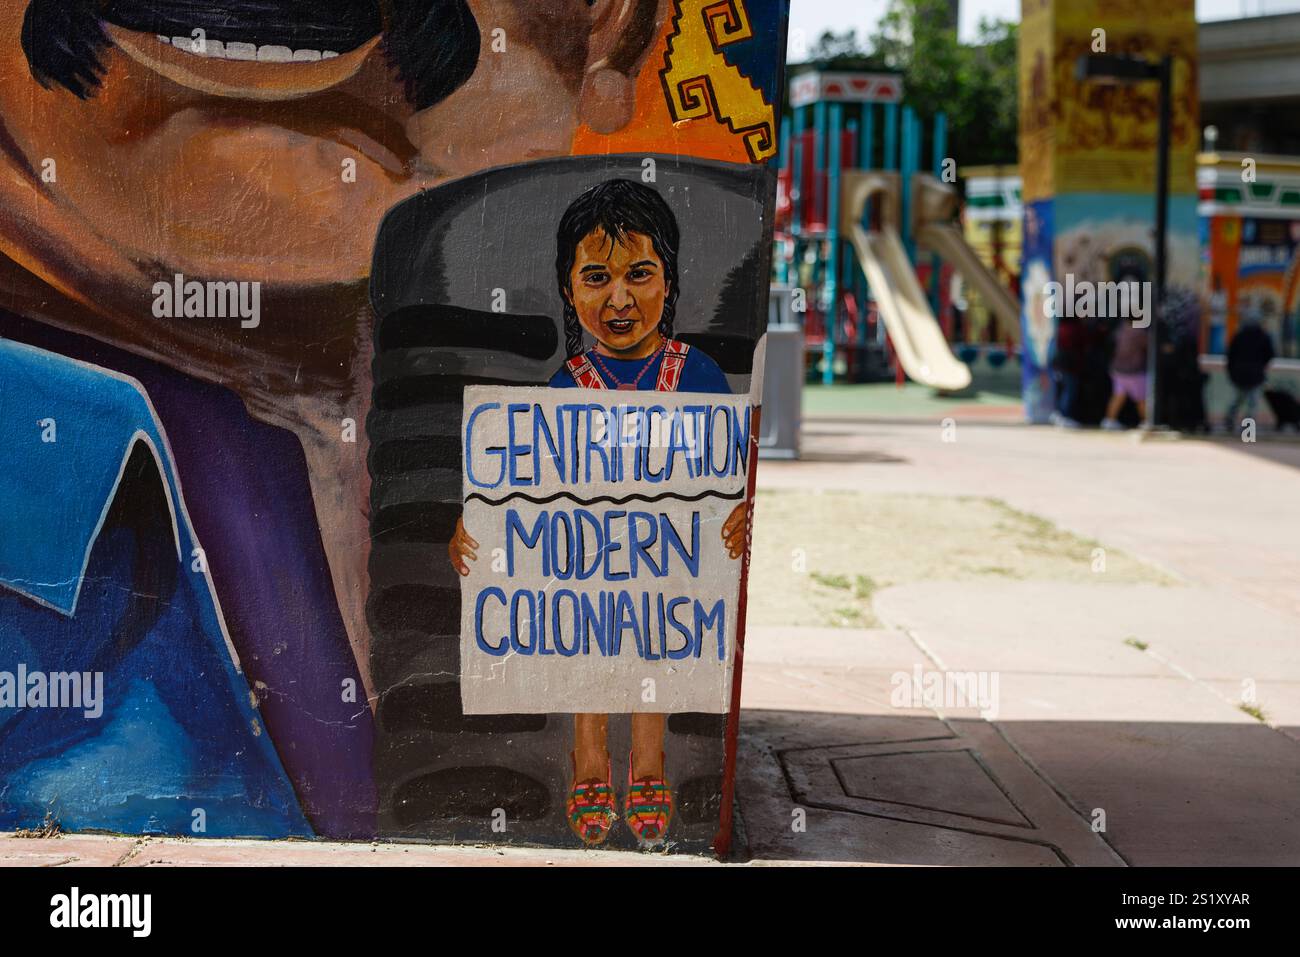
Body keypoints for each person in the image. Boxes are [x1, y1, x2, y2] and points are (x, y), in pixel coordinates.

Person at [448, 179, 749, 849]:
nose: (619, 298)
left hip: (663, 568)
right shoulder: (568, 385)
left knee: (653, 638)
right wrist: (480, 521)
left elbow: (728, 476)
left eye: (639, 274)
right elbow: (528, 485)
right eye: (597, 277)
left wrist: (739, 515)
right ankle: (590, 754)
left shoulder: (695, 376)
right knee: (582, 638)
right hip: (587, 565)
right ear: (569, 289)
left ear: (668, 282)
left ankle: (647, 758)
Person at [1225, 315, 1276, 430]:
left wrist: (1232, 372)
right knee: (1252, 404)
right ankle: (1248, 431)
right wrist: (1261, 366)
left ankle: (1230, 420)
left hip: (1239, 374)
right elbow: (1270, 354)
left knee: (1237, 400)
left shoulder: (1239, 336)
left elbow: (1230, 356)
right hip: (1256, 374)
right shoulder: (1263, 336)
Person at [1101, 320, 1149, 430]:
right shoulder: (1139, 332)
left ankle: (1109, 420)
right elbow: (1149, 345)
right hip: (1133, 371)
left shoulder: (1121, 329)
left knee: (1118, 396)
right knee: (1142, 398)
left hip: (1118, 369)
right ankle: (1147, 422)